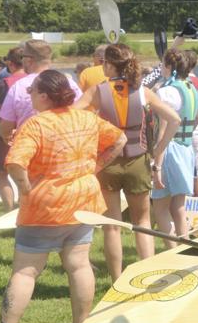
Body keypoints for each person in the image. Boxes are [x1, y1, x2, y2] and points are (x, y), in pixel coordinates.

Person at [0, 70, 126, 323]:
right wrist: (96, 167)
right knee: (79, 265)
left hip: (44, 208)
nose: (29, 95)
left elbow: (15, 163)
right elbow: (119, 140)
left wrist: (25, 189)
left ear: (44, 95)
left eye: (32, 91)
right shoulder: (87, 118)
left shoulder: (36, 124)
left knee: (25, 272)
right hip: (83, 203)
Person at [73, 44, 180, 280]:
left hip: (107, 162)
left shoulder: (98, 91)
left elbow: (71, 114)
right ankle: (148, 277)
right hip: (138, 161)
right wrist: (158, 150)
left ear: (110, 65)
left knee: (112, 225)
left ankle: (116, 280)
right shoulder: (143, 91)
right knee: (142, 221)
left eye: (104, 63)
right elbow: (174, 119)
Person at [151, 48, 198, 249]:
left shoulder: (167, 92)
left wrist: (157, 164)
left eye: (163, 64)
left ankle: (173, 251)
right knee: (178, 206)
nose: (161, 67)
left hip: (169, 150)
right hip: (186, 149)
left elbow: (163, 129)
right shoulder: (191, 87)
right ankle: (185, 246)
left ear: (170, 66)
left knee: (160, 207)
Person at [0, 46, 27, 211]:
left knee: (0, 172)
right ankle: (25, 206)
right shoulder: (39, 80)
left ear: (10, 64)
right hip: (33, 132)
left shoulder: (3, 84)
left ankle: (10, 210)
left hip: (8, 133)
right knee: (26, 172)